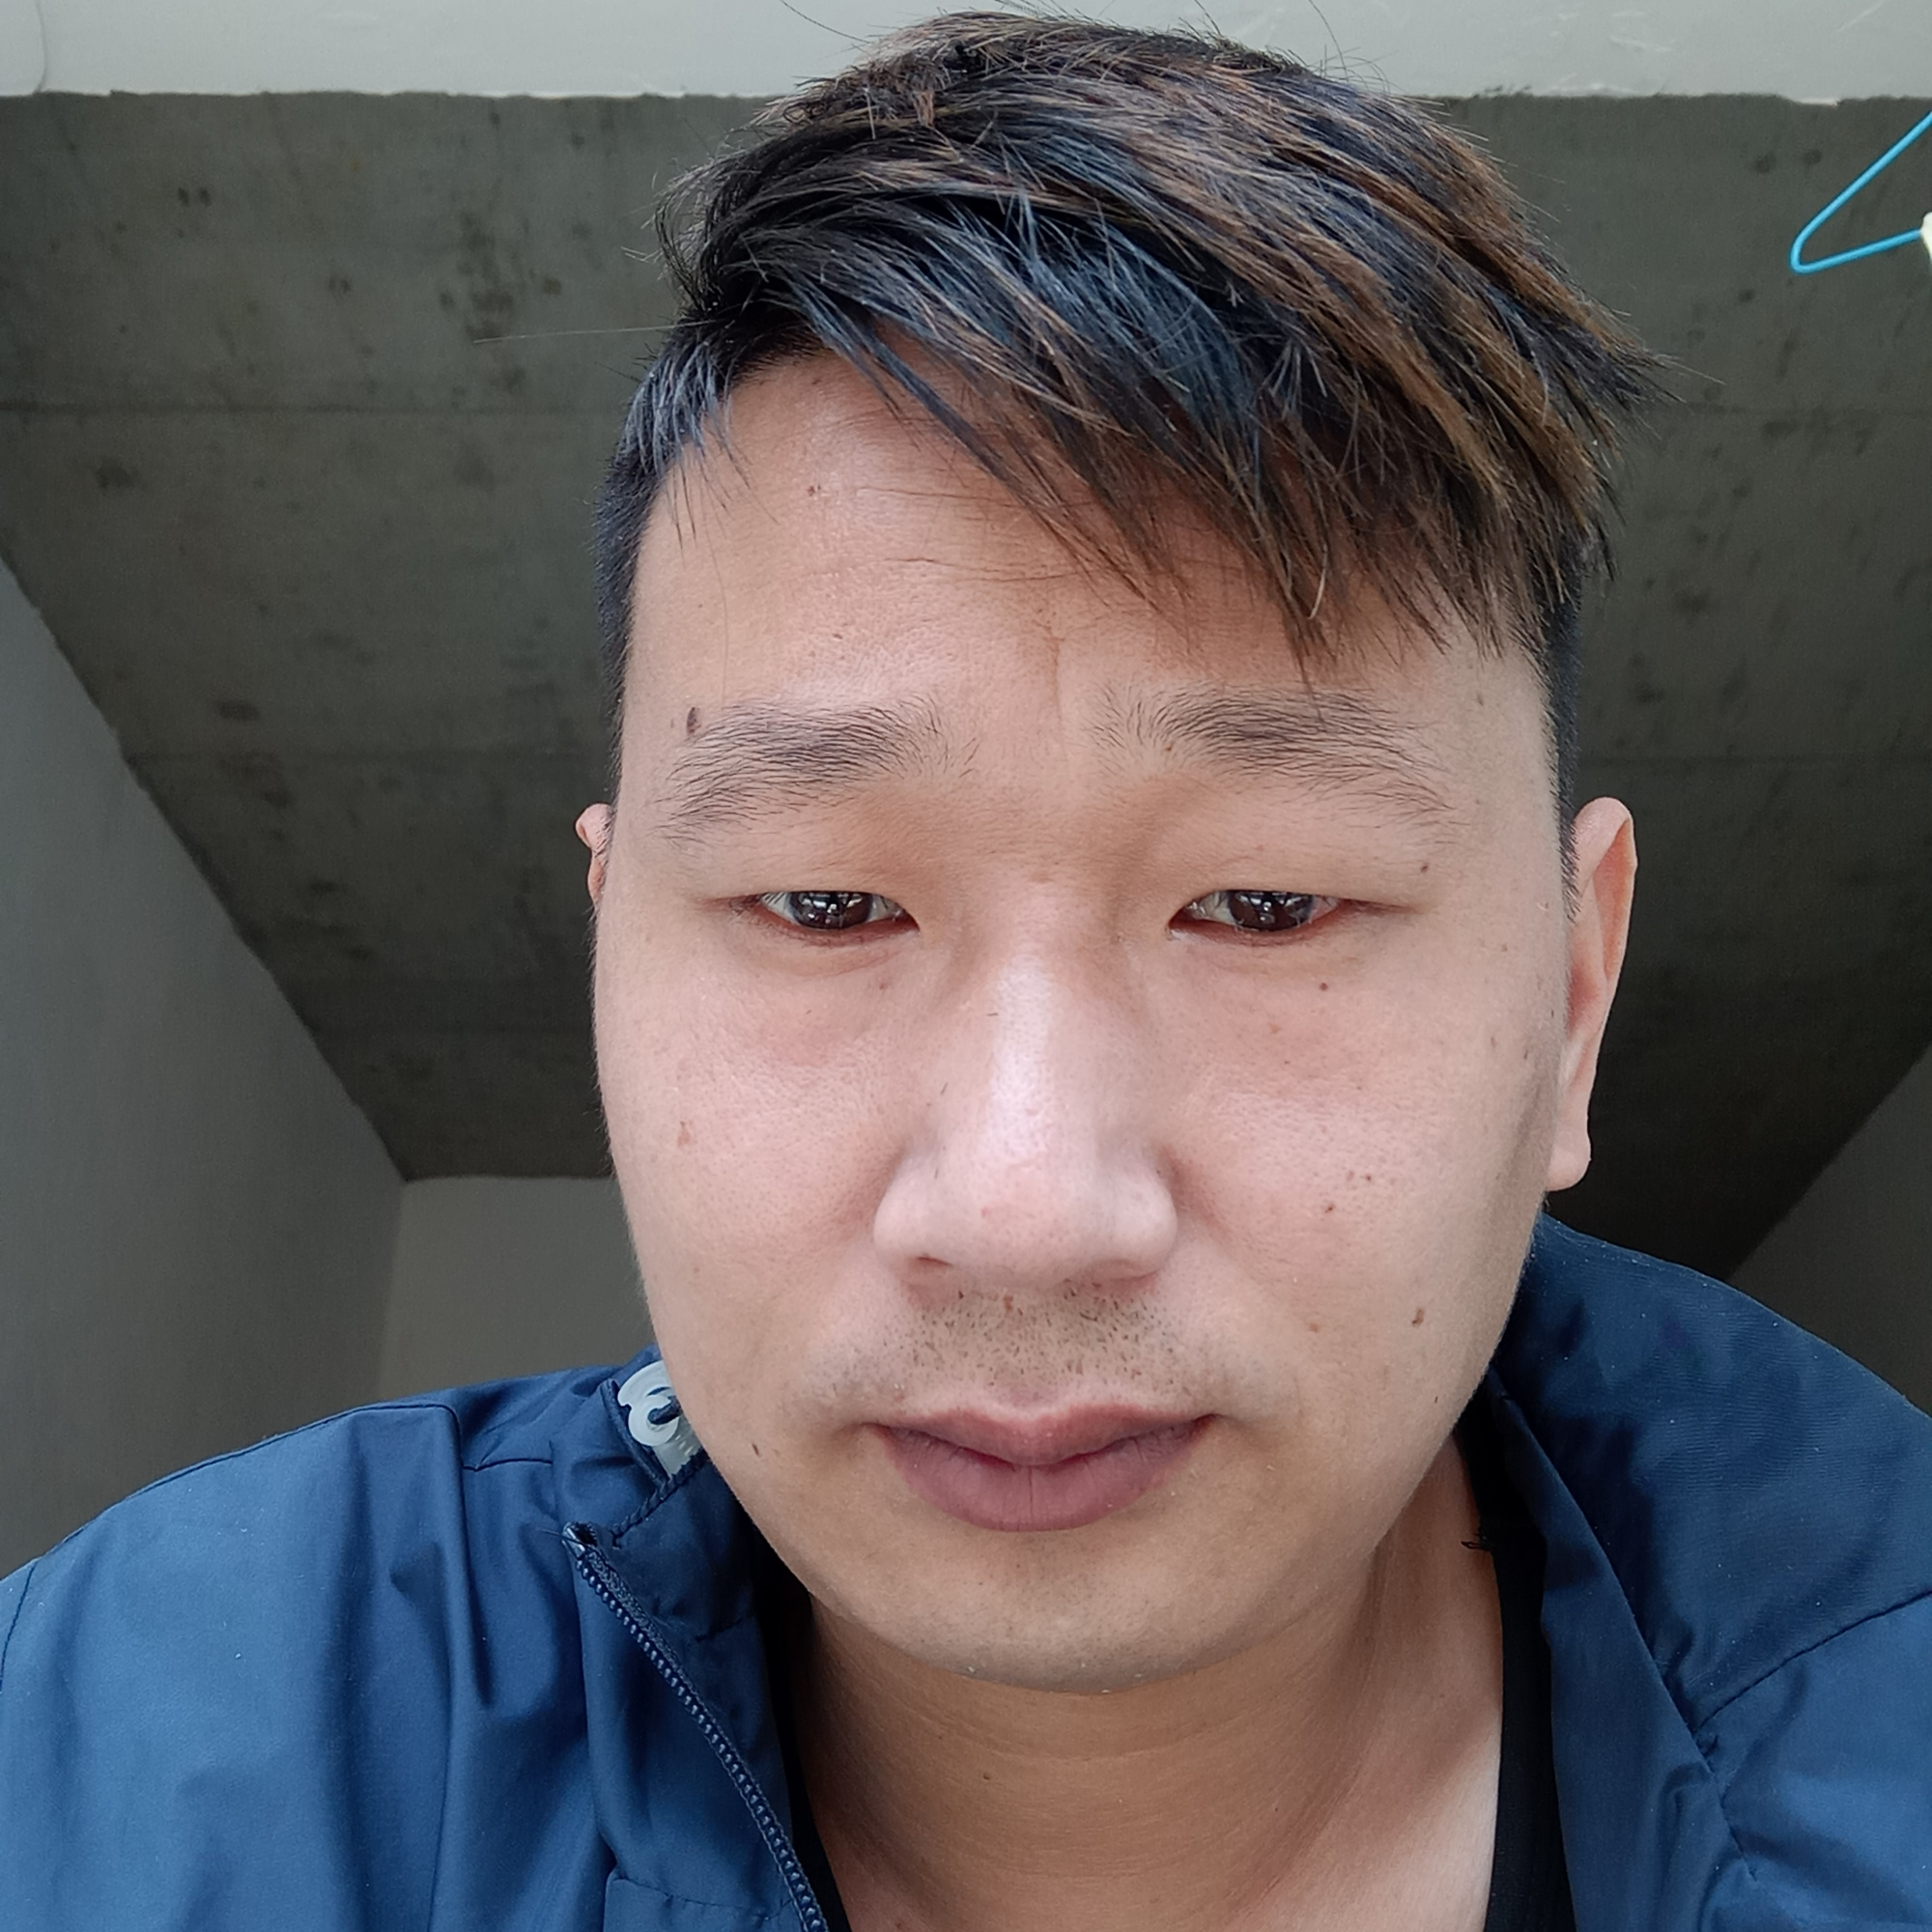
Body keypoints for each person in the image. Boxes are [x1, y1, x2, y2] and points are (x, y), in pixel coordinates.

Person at [3, 14, 1928, 1929]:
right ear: (612, 964)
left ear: (1573, 1002)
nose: (1025, 1210)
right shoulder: (135, 1747)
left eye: (1267, 905)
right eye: (827, 906)